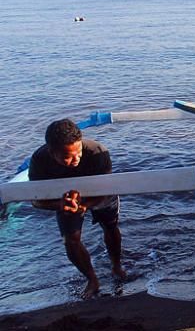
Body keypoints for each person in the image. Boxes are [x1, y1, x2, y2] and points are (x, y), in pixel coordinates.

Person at [28, 119, 125, 298]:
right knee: (70, 240)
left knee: (110, 227)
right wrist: (60, 204)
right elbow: (35, 200)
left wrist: (84, 206)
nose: (75, 159)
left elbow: (108, 190)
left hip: (99, 194)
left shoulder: (98, 152)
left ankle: (116, 266)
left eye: (78, 152)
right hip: (63, 198)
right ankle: (92, 279)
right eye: (67, 157)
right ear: (52, 152)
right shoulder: (39, 160)